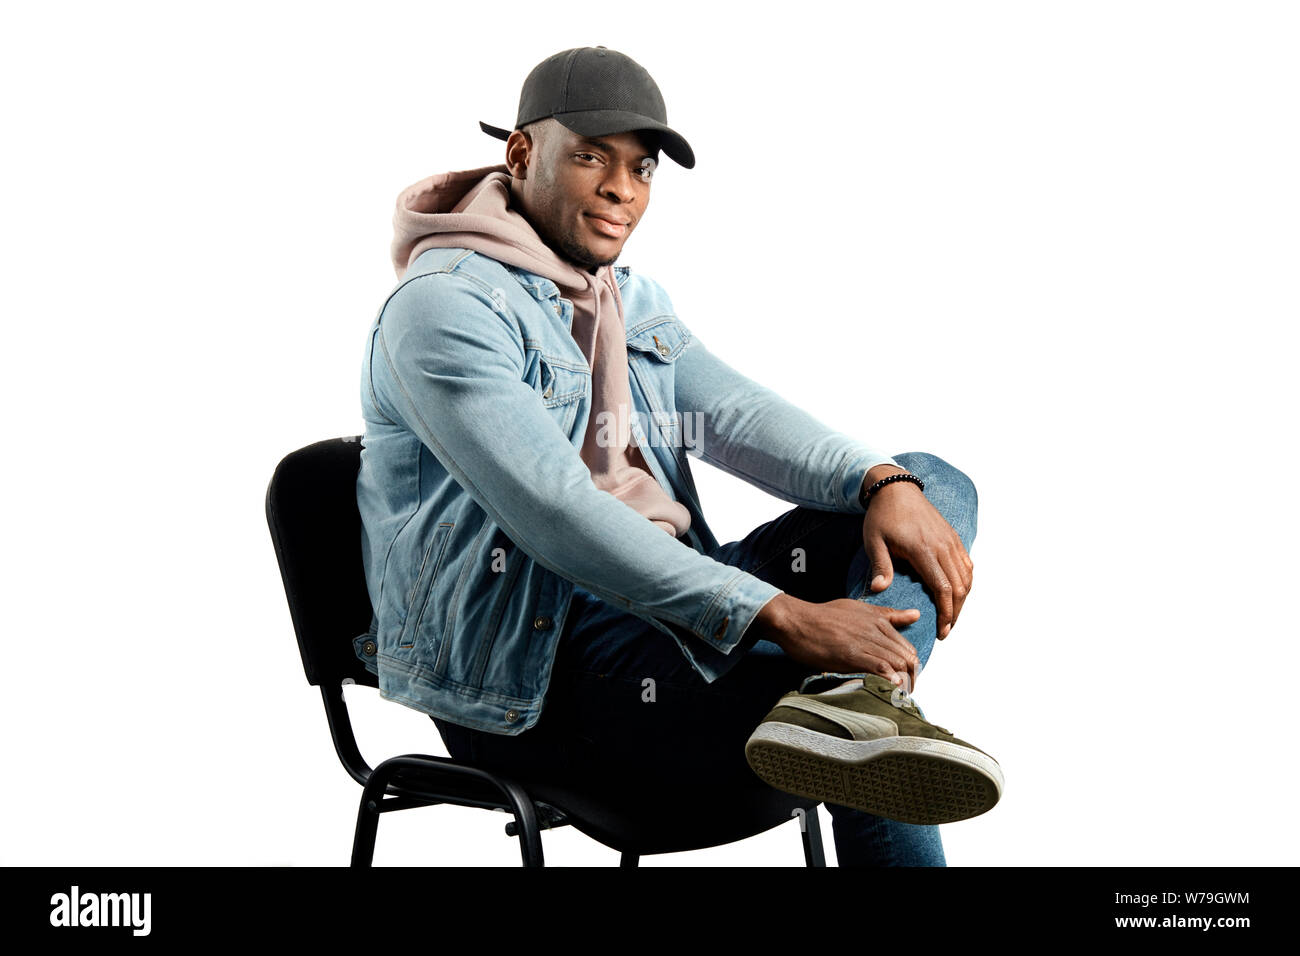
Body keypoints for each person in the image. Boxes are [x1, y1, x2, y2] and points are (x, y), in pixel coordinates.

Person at [355, 45, 1002, 866]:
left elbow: (737, 416)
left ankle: (863, 704)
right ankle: (852, 717)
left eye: (642, 168)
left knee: (933, 485)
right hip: (544, 677)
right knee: (820, 709)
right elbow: (556, 510)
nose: (622, 189)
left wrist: (883, 479)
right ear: (521, 155)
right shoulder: (443, 309)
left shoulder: (627, 296)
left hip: (674, 616)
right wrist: (783, 616)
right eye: (591, 157)